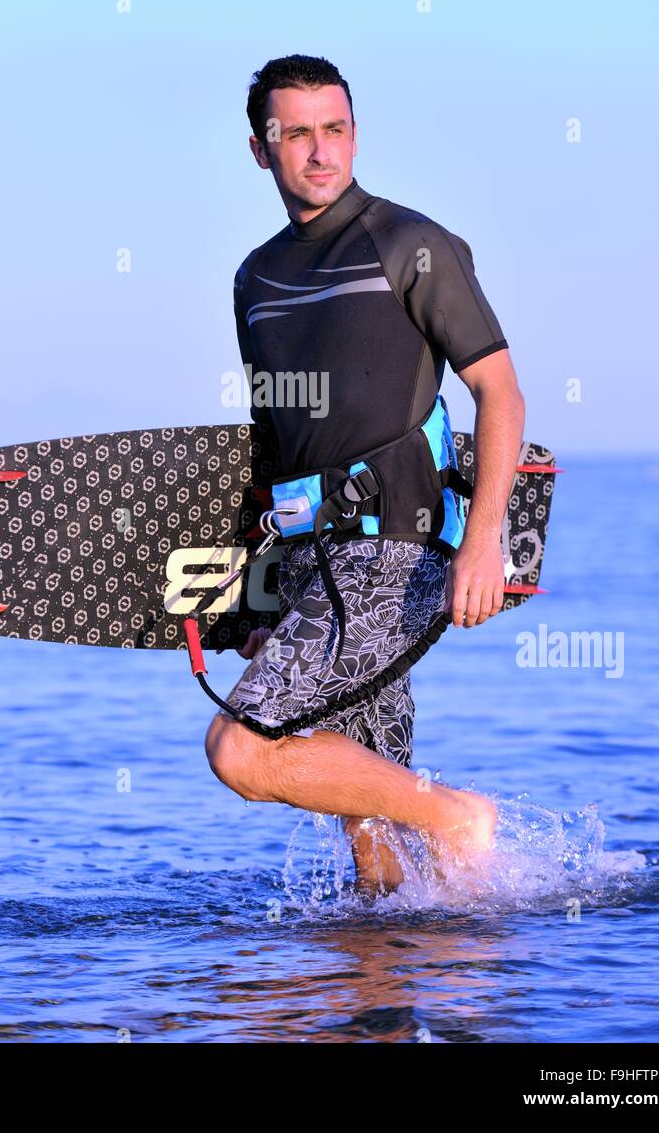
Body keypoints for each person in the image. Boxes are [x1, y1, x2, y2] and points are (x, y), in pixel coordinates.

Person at [205, 54, 525, 895]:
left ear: (355, 134)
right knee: (374, 846)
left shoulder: (409, 245)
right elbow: (275, 444)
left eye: (336, 130)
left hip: (400, 550)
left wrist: (485, 541)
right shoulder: (255, 280)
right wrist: (261, 601)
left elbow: (500, 391)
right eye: (297, 133)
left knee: (243, 747)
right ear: (259, 148)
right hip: (313, 560)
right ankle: (432, 957)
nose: (320, 153)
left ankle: (461, 816)